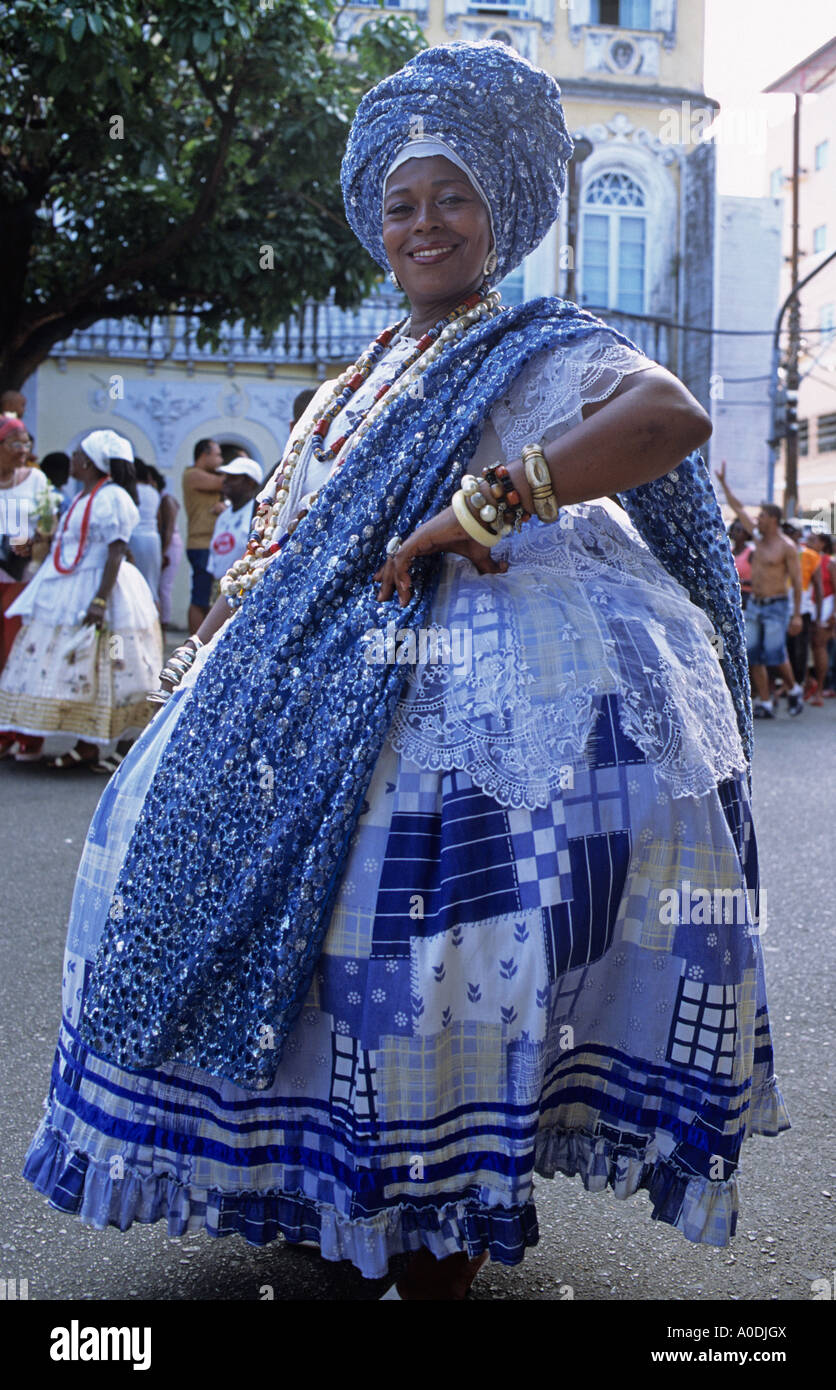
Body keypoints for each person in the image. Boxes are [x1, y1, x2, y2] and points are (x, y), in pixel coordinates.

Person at [22, 42, 787, 1301]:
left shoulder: (537, 340)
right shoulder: (354, 378)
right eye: (401, 202)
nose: (423, 223)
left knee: (426, 950)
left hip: (462, 703)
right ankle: (318, 1177)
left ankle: (436, 1208)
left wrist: (490, 500)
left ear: (499, 212)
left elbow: (668, 419)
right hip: (309, 685)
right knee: (275, 919)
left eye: (451, 197)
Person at [0, 429, 162, 772]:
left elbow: (116, 550)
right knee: (78, 664)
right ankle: (84, 744)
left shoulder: (112, 497)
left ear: (88, 462)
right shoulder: (83, 496)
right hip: (71, 585)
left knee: (111, 662)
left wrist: (100, 601)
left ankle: (117, 745)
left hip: (102, 587)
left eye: (76, 454)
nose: (70, 459)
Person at [715, 463, 804, 718]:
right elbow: (739, 509)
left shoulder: (786, 547)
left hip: (777, 605)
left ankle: (794, 689)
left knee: (775, 654)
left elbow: (797, 584)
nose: (757, 520)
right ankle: (765, 702)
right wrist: (723, 483)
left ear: (773, 519)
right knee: (753, 654)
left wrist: (797, 615)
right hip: (755, 603)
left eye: (762, 516)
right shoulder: (758, 539)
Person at [0, 417, 53, 694]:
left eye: (26, 443)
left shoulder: (36, 479)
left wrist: (35, 541)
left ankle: (12, 724)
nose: (23, 449)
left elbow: (49, 523)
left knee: (15, 645)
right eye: (15, 443)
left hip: (21, 575)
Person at [182, 438, 224, 634]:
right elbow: (222, 482)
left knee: (209, 596)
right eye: (217, 455)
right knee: (200, 598)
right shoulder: (192, 475)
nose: (220, 460)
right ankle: (194, 644)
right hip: (200, 543)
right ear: (204, 455)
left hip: (210, 544)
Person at [206, 456, 264, 583]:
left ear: (250, 482)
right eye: (226, 477)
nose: (225, 482)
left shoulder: (257, 513)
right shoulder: (223, 516)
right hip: (219, 585)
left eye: (233, 478)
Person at [146, 463, 184, 630]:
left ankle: (163, 625)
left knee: (164, 587)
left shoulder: (166, 499)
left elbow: (168, 529)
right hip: (162, 543)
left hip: (169, 544)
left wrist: (162, 553)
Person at [806, 530, 836, 703]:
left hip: (825, 606)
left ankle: (820, 689)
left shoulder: (829, 563)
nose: (809, 542)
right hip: (808, 605)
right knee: (805, 645)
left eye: (813, 539)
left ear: (823, 543)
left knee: (819, 646)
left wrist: (833, 614)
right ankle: (808, 683)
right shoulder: (806, 557)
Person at [129, 459, 163, 606]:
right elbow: (159, 518)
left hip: (134, 539)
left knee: (133, 585)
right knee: (152, 586)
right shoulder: (153, 492)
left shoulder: (130, 490)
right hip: (153, 539)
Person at [728, 518, 754, 610]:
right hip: (730, 596)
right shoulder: (728, 552)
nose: (736, 533)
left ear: (746, 534)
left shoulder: (751, 553)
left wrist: (741, 582)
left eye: (739, 531)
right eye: (734, 530)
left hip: (746, 598)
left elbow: (759, 580)